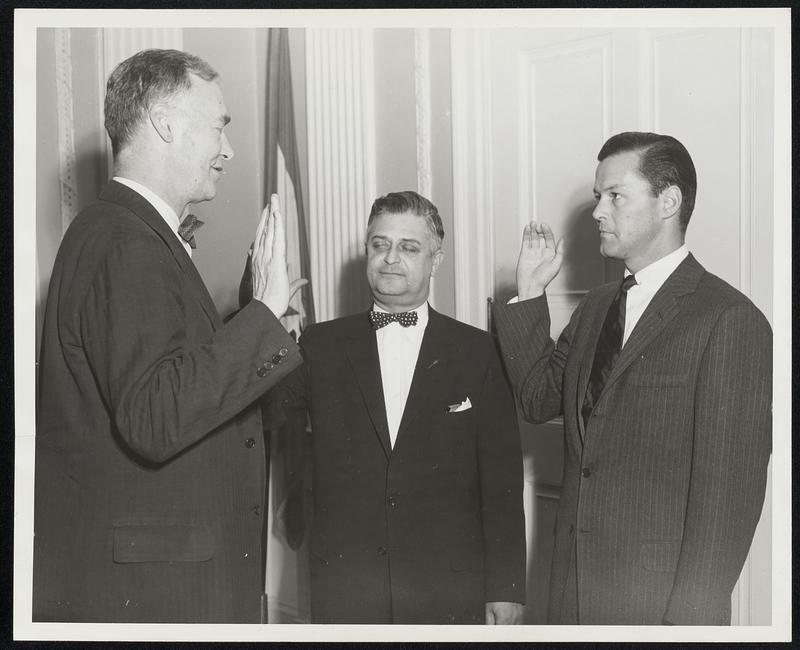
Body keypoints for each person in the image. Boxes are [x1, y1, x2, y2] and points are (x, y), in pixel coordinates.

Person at [33, 49, 306, 623]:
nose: (228, 150)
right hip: (158, 590)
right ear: (165, 124)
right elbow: (155, 417)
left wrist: (259, 319)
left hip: (166, 577)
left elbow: (174, 383)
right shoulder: (126, 242)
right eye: (219, 126)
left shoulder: (128, 232)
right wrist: (266, 312)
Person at [492, 132, 772, 625]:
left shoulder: (728, 319)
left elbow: (727, 502)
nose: (598, 211)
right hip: (570, 592)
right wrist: (530, 294)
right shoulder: (597, 306)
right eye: (598, 197)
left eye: (615, 196)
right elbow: (538, 400)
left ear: (668, 202)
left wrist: (689, 625)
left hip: (655, 605)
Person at [263, 191, 526, 624]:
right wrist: (262, 319)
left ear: (435, 261)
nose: (390, 258)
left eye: (408, 247)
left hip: (447, 588)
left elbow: (501, 483)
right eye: (379, 244)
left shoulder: (480, 352)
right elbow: (266, 416)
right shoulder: (319, 344)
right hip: (347, 584)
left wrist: (507, 587)